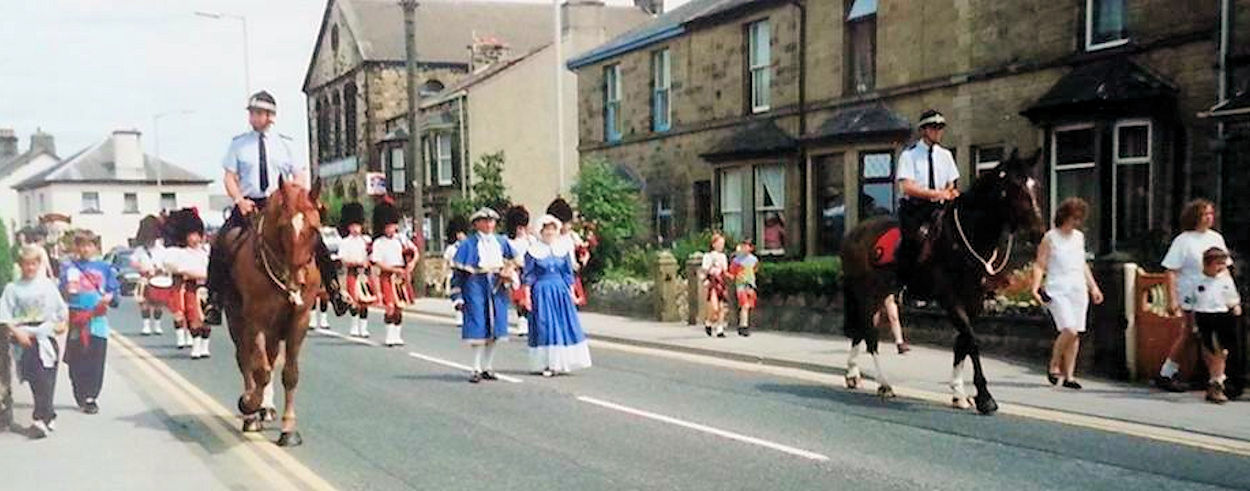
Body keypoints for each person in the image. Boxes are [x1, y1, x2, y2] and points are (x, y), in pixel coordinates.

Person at [205, 90, 347, 326]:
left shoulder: (285, 144)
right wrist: (239, 200)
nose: (253, 117)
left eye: (258, 113)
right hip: (250, 204)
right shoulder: (239, 144)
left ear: (271, 116)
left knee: (314, 239)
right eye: (251, 113)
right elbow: (229, 177)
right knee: (222, 241)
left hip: (282, 204)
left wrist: (295, 200)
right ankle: (214, 299)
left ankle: (335, 290)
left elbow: (299, 175)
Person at [1155, 199, 1230, 392]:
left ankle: (1214, 378)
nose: (1209, 217)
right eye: (1205, 214)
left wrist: (1229, 294)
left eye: (1211, 214)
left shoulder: (1216, 238)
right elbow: (1170, 270)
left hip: (1213, 295)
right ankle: (1170, 373)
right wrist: (1172, 299)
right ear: (1195, 216)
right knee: (1192, 333)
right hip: (1191, 294)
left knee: (1208, 337)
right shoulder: (1184, 240)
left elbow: (1224, 268)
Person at [1031, 198, 1104, 390]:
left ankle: (1070, 376)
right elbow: (1040, 264)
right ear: (1065, 216)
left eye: (1080, 219)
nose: (1078, 222)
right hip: (1057, 288)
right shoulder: (1050, 237)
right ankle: (1054, 364)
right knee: (1069, 329)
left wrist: (1093, 287)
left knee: (1076, 332)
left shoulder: (1079, 237)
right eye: (1075, 218)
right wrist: (1036, 286)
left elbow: (1082, 264)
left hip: (1078, 288)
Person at [0, 245, 69, 438]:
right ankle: (48, 414)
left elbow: (61, 311)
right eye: (26, 264)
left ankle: (39, 419)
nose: (30, 268)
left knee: (46, 378)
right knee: (34, 379)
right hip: (24, 339)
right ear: (20, 265)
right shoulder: (12, 289)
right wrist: (17, 333)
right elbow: (4, 316)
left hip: (45, 336)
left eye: (33, 264)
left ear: (39, 264)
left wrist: (61, 325)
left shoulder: (47, 286)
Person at [450, 207, 517, 383]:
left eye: (492, 221)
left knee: (495, 330)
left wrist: (509, 273)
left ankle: (488, 366)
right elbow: (457, 275)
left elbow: (515, 261)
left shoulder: (502, 242)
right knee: (478, 328)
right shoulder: (468, 245)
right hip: (475, 288)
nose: (489, 225)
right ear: (476, 224)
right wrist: (458, 297)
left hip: (496, 288)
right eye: (485, 221)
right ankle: (475, 367)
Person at [524, 214, 592, 377]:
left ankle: (562, 362)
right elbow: (528, 276)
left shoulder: (562, 250)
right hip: (542, 292)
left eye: (553, 230)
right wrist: (527, 298)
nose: (550, 233)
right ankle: (547, 363)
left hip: (560, 292)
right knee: (546, 326)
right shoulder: (533, 251)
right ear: (541, 232)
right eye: (547, 230)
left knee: (563, 326)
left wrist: (573, 294)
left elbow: (568, 276)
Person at [896, 109, 960, 280]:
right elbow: (907, 187)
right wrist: (937, 193)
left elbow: (951, 184)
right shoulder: (909, 155)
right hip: (916, 209)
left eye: (940, 127)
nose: (938, 131)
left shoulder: (945, 155)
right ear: (923, 130)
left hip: (940, 208)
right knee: (913, 241)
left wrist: (951, 193)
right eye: (934, 127)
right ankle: (903, 280)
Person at [60, 231, 119, 415]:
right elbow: (60, 292)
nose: (84, 249)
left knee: (96, 359)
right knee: (76, 360)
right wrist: (66, 291)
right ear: (76, 247)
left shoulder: (105, 268)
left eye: (88, 245)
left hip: (97, 320)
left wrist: (110, 297)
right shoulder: (69, 268)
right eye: (81, 245)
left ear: (95, 247)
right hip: (76, 319)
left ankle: (91, 397)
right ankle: (80, 393)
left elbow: (114, 292)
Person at [1190, 247, 1242, 403]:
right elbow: (1190, 303)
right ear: (1207, 264)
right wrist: (1191, 322)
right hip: (1204, 314)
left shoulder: (1225, 280)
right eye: (1218, 264)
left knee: (1223, 350)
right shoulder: (1196, 280)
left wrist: (1235, 306)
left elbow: (1232, 297)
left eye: (1223, 264)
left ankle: (1217, 382)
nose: (1221, 268)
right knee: (1209, 350)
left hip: (1222, 314)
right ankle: (1214, 380)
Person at [163, 209, 212, 360]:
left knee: (208, 319)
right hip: (192, 288)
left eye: (197, 234)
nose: (195, 238)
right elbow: (181, 269)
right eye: (191, 235)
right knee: (194, 317)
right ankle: (196, 346)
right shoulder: (181, 253)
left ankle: (205, 347)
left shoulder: (207, 251)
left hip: (207, 288)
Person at [371, 199, 418, 347]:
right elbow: (377, 262)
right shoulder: (378, 243)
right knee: (390, 306)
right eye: (388, 226)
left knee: (399, 306)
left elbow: (415, 252)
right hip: (388, 275)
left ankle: (397, 335)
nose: (392, 229)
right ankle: (389, 335)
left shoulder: (401, 240)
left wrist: (412, 264)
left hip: (400, 276)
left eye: (393, 225)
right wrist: (393, 270)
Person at [338, 203, 375, 338]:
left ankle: (363, 328)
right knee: (353, 301)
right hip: (352, 272)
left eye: (357, 226)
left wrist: (368, 261)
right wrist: (356, 263)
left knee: (365, 301)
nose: (355, 229)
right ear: (348, 227)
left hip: (364, 274)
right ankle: (354, 326)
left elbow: (372, 257)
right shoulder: (345, 242)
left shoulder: (366, 241)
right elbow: (343, 260)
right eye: (353, 226)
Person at [131, 215, 170, 338]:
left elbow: (167, 263)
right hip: (145, 278)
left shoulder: (161, 249)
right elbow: (133, 262)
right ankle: (146, 325)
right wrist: (141, 268)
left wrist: (161, 269)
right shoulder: (140, 250)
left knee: (159, 303)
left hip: (158, 278)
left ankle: (157, 325)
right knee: (144, 303)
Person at [547, 198, 588, 307]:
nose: (569, 226)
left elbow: (583, 251)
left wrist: (583, 259)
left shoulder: (572, 236)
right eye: (567, 223)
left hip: (571, 273)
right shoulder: (551, 238)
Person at [505, 206, 535, 336]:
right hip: (517, 272)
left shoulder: (531, 240)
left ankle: (529, 320)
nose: (522, 230)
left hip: (531, 271)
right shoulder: (509, 242)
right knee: (519, 297)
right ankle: (522, 320)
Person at [701, 233, 730, 338]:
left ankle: (720, 329)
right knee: (714, 308)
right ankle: (708, 322)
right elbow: (705, 270)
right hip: (712, 282)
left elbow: (725, 270)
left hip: (721, 282)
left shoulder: (723, 256)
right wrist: (713, 262)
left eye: (722, 243)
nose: (721, 245)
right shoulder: (708, 256)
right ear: (713, 244)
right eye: (719, 243)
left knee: (722, 307)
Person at [728, 238, 759, 337]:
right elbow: (732, 272)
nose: (744, 248)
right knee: (744, 305)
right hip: (741, 285)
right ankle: (744, 326)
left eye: (747, 246)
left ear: (751, 248)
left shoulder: (754, 260)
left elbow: (755, 270)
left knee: (748, 306)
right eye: (743, 246)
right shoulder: (737, 260)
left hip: (750, 285)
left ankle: (743, 324)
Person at [443, 217, 469, 328]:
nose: (459, 236)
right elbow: (446, 262)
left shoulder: (470, 246)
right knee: (457, 296)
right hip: (455, 273)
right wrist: (443, 276)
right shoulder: (451, 248)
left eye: (461, 233)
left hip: (468, 274)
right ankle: (459, 317)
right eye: (457, 233)